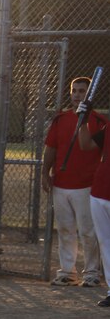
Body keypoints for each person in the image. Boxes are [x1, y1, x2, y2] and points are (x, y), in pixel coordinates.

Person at [42, 76, 103, 287]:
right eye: (74, 91)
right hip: (61, 183)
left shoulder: (98, 121)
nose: (77, 95)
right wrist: (45, 172)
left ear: (89, 94)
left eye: (82, 91)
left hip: (87, 184)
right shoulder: (60, 119)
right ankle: (67, 272)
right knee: (65, 229)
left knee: (88, 231)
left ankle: (91, 273)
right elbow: (51, 148)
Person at [76, 94, 110, 307]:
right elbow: (85, 144)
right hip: (100, 192)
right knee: (106, 244)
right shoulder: (109, 128)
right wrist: (84, 120)